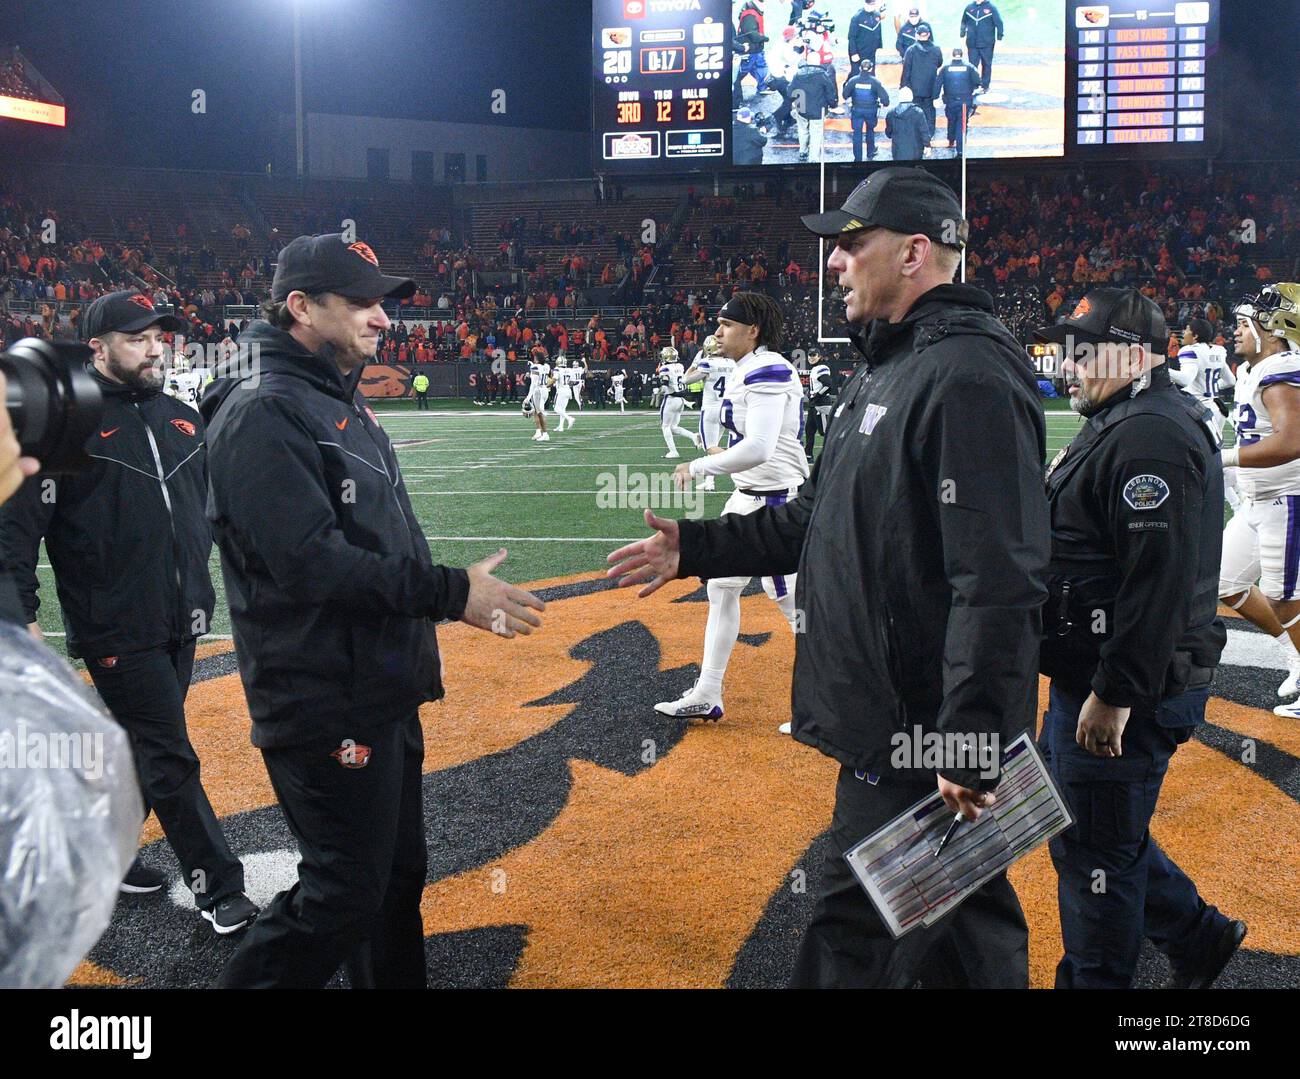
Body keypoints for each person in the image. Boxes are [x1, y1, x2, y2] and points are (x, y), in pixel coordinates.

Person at [608, 169, 1049, 987]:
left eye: (852, 244)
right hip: (900, 719)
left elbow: (1000, 577)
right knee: (969, 939)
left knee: (851, 939)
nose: (835, 264)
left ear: (914, 252)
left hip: (920, 736)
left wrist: (972, 733)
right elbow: (812, 516)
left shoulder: (969, 375)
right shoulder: (887, 367)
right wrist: (695, 548)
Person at [203, 234, 545, 988]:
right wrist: (453, 592)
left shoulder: (325, 390)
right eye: (359, 299)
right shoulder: (264, 409)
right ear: (300, 306)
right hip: (323, 695)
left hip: (375, 680)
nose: (382, 316)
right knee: (341, 895)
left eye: (382, 299)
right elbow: (311, 563)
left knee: (392, 882)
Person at [0, 291, 259, 935]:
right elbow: (13, 542)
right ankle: (218, 886)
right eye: (138, 337)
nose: (155, 347)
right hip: (113, 623)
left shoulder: (181, 418)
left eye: (160, 336)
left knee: (147, 750)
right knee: (170, 754)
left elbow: (210, 513)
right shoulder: (63, 427)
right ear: (99, 347)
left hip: (184, 617)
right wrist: (25, 625)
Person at [1033, 287, 1245, 989]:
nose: (1067, 362)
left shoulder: (1148, 430)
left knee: (1098, 854)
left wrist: (1113, 693)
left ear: (1130, 353)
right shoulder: (1125, 414)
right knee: (1093, 833)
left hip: (1124, 687)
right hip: (1097, 673)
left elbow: (1153, 582)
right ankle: (1198, 934)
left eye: (1081, 348)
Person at [654, 293, 807, 730]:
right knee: (721, 586)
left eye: (725, 324)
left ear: (752, 329)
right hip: (748, 496)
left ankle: (828, 700)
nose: (716, 332)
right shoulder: (746, 368)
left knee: (798, 609)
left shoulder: (767, 366)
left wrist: (699, 464)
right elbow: (755, 441)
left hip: (777, 500)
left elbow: (760, 447)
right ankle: (708, 692)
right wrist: (723, 452)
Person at [1217, 286, 1300, 714]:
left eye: (1242, 324)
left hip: (1286, 498)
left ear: (1269, 328)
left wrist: (1223, 459)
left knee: (1285, 596)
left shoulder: (1283, 367)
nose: (1234, 332)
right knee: (1227, 582)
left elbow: (1291, 441)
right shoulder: (1254, 370)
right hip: (1257, 502)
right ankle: (1295, 652)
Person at [680, 334, 735, 492]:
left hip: (711, 409)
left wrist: (694, 363)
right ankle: (710, 482)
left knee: (710, 447)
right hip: (727, 408)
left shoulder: (707, 363)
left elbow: (686, 380)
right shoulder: (732, 363)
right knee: (714, 447)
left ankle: (741, 466)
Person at [842, 60, 890, 162]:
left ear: (860, 68)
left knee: (857, 133)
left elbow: (845, 94)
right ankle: (870, 152)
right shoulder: (875, 82)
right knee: (870, 131)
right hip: (871, 111)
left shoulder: (853, 80)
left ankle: (858, 158)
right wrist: (884, 104)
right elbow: (885, 98)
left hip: (857, 110)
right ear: (871, 69)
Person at [789, 61, 837, 162]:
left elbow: (790, 92)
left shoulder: (798, 74)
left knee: (802, 130)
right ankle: (813, 159)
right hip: (818, 110)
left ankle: (803, 151)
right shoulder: (823, 75)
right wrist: (833, 105)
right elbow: (830, 92)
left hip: (801, 108)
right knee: (816, 134)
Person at [657, 346, 700, 458]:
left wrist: (660, 390)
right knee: (674, 427)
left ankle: (673, 451)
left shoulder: (665, 368)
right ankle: (693, 436)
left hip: (670, 399)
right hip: (680, 400)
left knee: (665, 426)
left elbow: (665, 384)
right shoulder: (680, 366)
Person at [934, 47, 979, 153]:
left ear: (952, 55)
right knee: (961, 124)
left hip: (950, 101)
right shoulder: (969, 67)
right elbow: (977, 81)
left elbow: (938, 84)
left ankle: (950, 139)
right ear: (962, 55)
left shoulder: (945, 68)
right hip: (964, 101)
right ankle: (960, 150)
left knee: (951, 120)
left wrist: (935, 98)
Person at [900, 23, 942, 138]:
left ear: (917, 35)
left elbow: (906, 71)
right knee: (930, 113)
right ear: (928, 35)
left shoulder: (911, 50)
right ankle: (929, 135)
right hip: (930, 88)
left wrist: (903, 87)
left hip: (915, 89)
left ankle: (915, 133)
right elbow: (939, 63)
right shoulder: (936, 49)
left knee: (914, 112)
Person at [959, 1, 1004, 94]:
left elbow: (999, 23)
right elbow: (963, 21)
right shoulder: (969, 8)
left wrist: (999, 38)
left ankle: (985, 85)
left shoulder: (991, 8)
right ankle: (974, 85)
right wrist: (962, 34)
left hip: (987, 43)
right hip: (972, 43)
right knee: (972, 65)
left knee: (986, 64)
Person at [734, 0, 770, 101]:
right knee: (741, 72)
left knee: (760, 67)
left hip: (755, 49)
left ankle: (762, 87)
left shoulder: (751, 12)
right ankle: (731, 87)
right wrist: (764, 38)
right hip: (750, 50)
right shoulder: (750, 15)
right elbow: (751, 33)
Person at [885, 86, 930, 161]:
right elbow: (924, 132)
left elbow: (888, 134)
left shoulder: (891, 114)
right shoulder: (918, 112)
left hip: (898, 151)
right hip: (916, 151)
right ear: (911, 97)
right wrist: (927, 145)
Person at [803, 356, 834, 464]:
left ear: (819, 356)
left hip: (821, 404)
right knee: (809, 430)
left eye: (814, 355)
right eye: (810, 355)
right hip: (814, 405)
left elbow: (828, 385)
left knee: (824, 432)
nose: (811, 357)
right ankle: (808, 455)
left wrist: (816, 396)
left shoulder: (821, 368)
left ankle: (831, 456)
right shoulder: (815, 369)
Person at [847, 1, 886, 79]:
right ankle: (847, 87)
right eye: (870, 4)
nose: (872, 6)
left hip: (871, 52)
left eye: (873, 4)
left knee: (871, 75)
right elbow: (851, 37)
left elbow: (878, 31)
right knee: (856, 75)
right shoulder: (857, 18)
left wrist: (879, 46)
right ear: (865, 4)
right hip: (859, 52)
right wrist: (854, 53)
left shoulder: (877, 15)